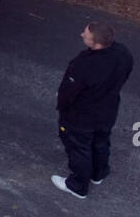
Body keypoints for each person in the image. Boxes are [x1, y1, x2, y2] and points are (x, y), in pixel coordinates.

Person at [53, 21, 134, 199]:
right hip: (108, 110)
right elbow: (125, 75)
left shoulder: (85, 65)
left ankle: (77, 185)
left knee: (79, 148)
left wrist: (62, 105)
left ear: (96, 43)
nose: (82, 34)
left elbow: (69, 91)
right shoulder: (123, 53)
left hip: (82, 116)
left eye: (86, 34)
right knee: (101, 141)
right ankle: (98, 173)